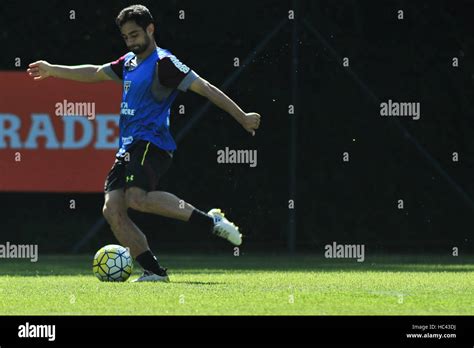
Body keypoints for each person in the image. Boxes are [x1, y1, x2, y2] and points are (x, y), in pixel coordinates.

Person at [27, 4, 261, 282]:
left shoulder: (165, 63)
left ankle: (211, 222)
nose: (131, 41)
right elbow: (96, 73)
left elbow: (206, 88)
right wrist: (54, 70)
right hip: (127, 147)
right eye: (126, 36)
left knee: (136, 198)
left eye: (135, 34)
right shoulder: (128, 62)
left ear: (151, 29)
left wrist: (243, 117)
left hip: (153, 142)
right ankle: (154, 272)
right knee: (112, 209)